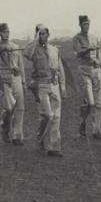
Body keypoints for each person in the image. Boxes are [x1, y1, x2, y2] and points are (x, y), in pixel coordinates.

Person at [24, 24, 67, 157]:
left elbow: (60, 68)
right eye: (39, 34)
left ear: (48, 35)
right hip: (42, 85)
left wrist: (63, 86)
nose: (42, 36)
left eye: (43, 33)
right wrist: (35, 38)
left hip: (54, 85)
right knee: (48, 115)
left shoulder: (54, 50)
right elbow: (26, 54)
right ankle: (40, 137)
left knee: (56, 117)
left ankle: (54, 147)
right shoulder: (33, 50)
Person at [0, 22, 25, 145]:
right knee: (9, 108)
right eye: (3, 32)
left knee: (19, 108)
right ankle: (5, 128)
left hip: (16, 77)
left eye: (7, 31)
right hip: (3, 79)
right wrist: (5, 48)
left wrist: (23, 81)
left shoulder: (16, 46)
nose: (6, 34)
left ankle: (17, 136)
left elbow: (21, 65)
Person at [72, 15, 101, 138]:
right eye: (84, 24)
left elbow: (99, 55)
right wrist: (87, 50)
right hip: (84, 71)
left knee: (99, 104)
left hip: (96, 70)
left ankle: (97, 131)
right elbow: (77, 53)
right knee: (90, 102)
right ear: (80, 25)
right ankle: (82, 121)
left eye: (88, 24)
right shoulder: (76, 38)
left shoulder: (94, 37)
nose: (87, 26)